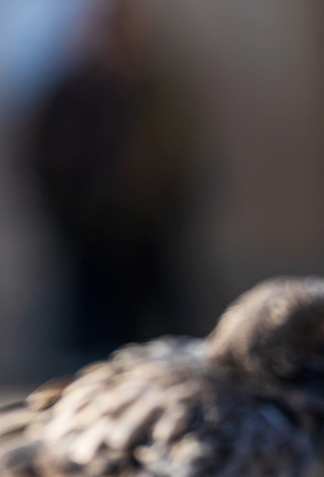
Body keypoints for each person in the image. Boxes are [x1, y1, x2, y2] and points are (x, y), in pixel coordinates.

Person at [25, 0, 196, 371]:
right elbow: (47, 162)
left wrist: (169, 206)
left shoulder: (155, 92)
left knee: (166, 332)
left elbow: (179, 157)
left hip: (150, 234)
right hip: (94, 237)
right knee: (93, 340)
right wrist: (74, 217)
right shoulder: (72, 96)